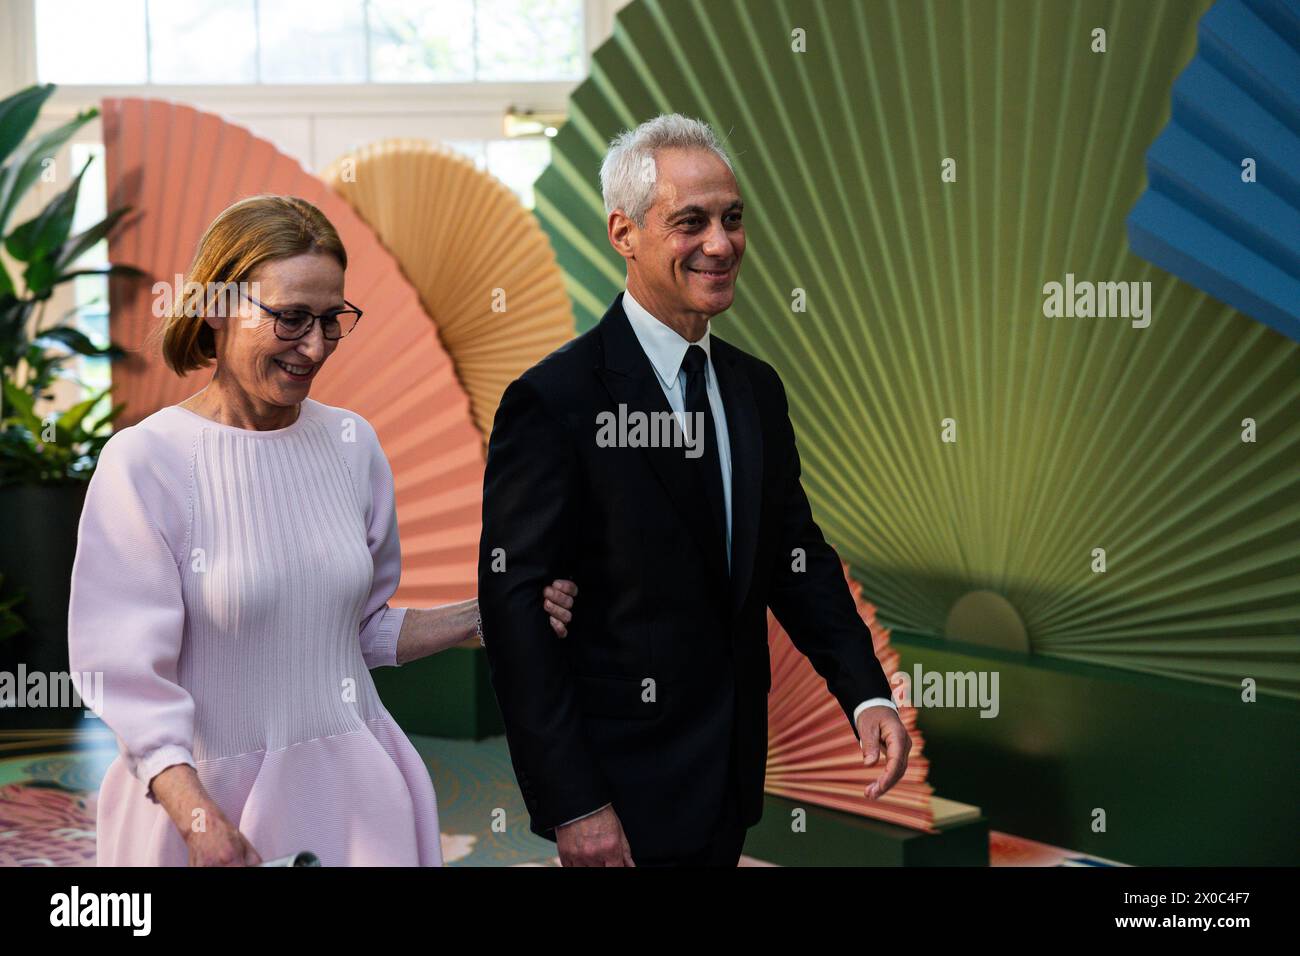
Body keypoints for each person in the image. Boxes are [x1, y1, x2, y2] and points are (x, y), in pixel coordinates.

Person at [68, 194, 577, 866]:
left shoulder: (351, 443)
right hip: (204, 811)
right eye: (290, 318)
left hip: (357, 798)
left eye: (331, 319)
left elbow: (355, 632)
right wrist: (200, 825)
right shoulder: (146, 463)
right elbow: (125, 682)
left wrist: (487, 616)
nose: (314, 346)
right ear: (216, 308)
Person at [478, 114, 911, 867]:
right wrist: (575, 802)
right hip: (616, 789)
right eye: (691, 222)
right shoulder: (554, 401)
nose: (721, 243)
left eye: (732, 218)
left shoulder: (755, 389)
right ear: (624, 233)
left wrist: (865, 691)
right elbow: (516, 613)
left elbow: (792, 554)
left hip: (730, 780)